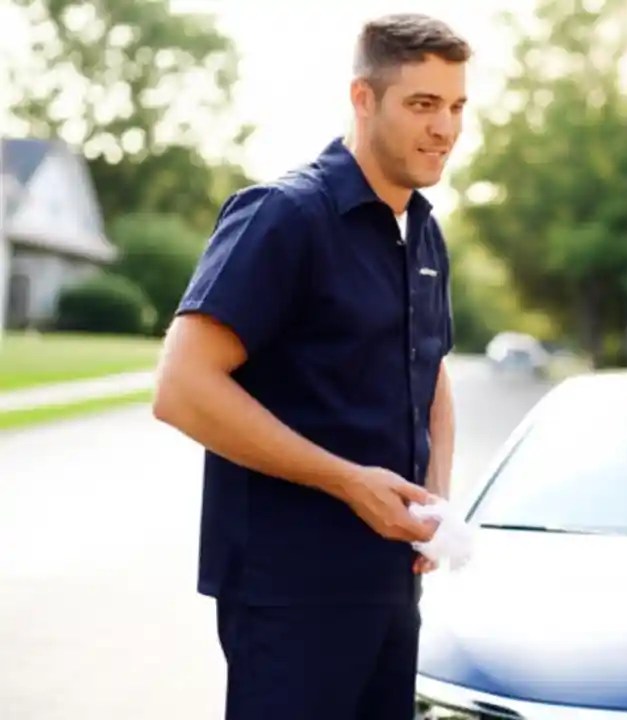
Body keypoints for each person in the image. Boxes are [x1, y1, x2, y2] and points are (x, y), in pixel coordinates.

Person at [151, 13, 470, 720]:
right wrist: (350, 483)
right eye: (423, 104)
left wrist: (433, 494)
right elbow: (181, 389)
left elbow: (431, 367)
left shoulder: (422, 228)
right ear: (364, 99)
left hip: (390, 585)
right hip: (289, 590)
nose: (446, 128)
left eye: (455, 106)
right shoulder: (284, 216)